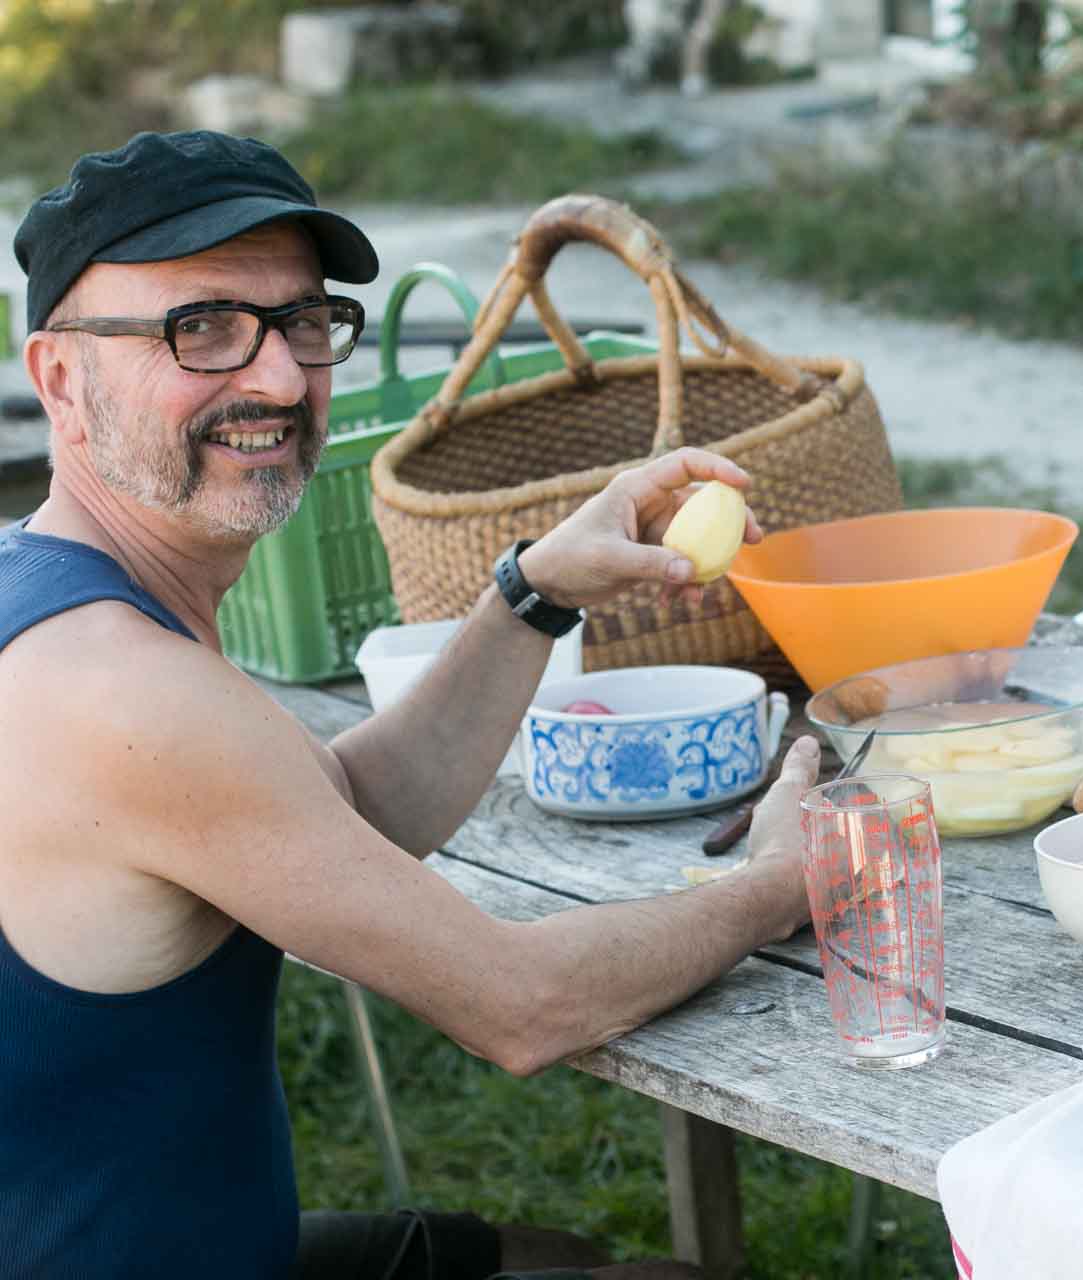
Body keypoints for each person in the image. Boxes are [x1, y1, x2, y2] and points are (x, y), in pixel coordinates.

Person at [1, 130, 820, 1279]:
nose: (280, 376)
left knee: (565, 1260)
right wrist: (784, 882)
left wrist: (534, 592)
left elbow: (348, 808)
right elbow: (525, 1006)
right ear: (59, 380)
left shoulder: (38, 592)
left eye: (300, 321)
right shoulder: (122, 691)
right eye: (204, 328)